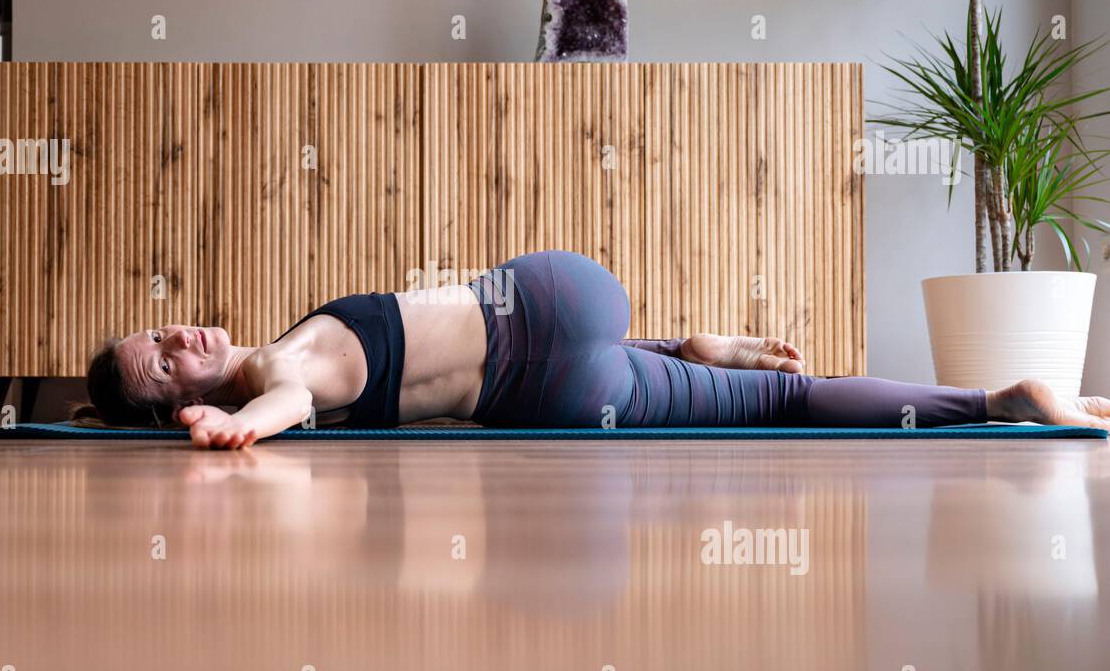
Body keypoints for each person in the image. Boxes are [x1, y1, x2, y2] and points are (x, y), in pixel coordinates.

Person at [73, 249, 1110, 449]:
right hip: (555, 301)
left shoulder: (286, 357)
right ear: (174, 405)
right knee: (789, 400)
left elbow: (289, 393)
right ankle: (997, 400)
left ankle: (991, 406)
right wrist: (237, 421)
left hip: (556, 374)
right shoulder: (276, 366)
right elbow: (281, 396)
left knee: (783, 406)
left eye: (161, 329)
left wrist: (234, 416)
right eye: (166, 365)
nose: (179, 337)